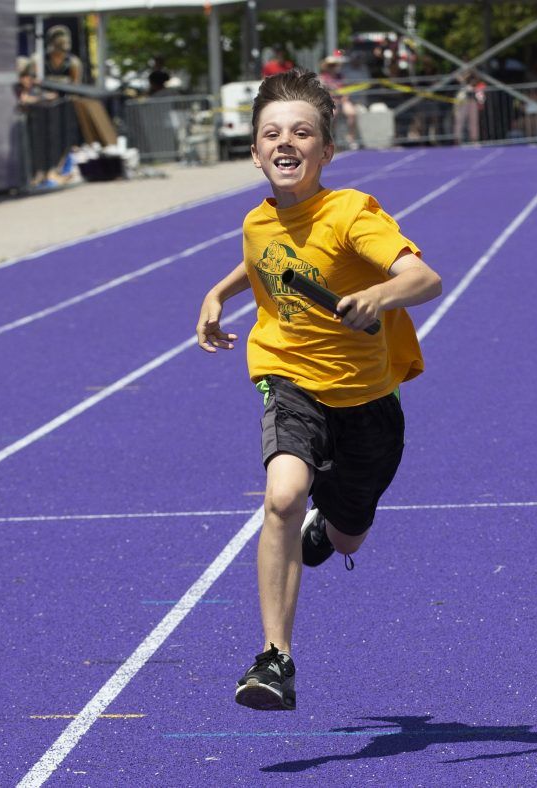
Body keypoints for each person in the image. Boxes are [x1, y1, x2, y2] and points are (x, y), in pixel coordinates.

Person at [194, 68, 442, 712]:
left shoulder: (352, 213)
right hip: (290, 380)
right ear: (253, 151)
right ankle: (275, 660)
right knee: (282, 495)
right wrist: (220, 294)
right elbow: (266, 259)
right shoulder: (257, 221)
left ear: (325, 151)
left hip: (367, 403)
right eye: (271, 132)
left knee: (348, 535)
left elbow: (425, 278)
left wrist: (380, 294)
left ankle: (328, 529)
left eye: (302, 132)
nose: (286, 141)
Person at [318, 52, 360, 149]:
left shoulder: (341, 76)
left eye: (335, 65)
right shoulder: (322, 78)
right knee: (333, 114)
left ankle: (351, 138)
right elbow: (323, 92)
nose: (334, 67)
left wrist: (344, 98)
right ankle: (331, 138)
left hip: (342, 100)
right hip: (330, 101)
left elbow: (346, 89)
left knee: (352, 113)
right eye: (331, 65)